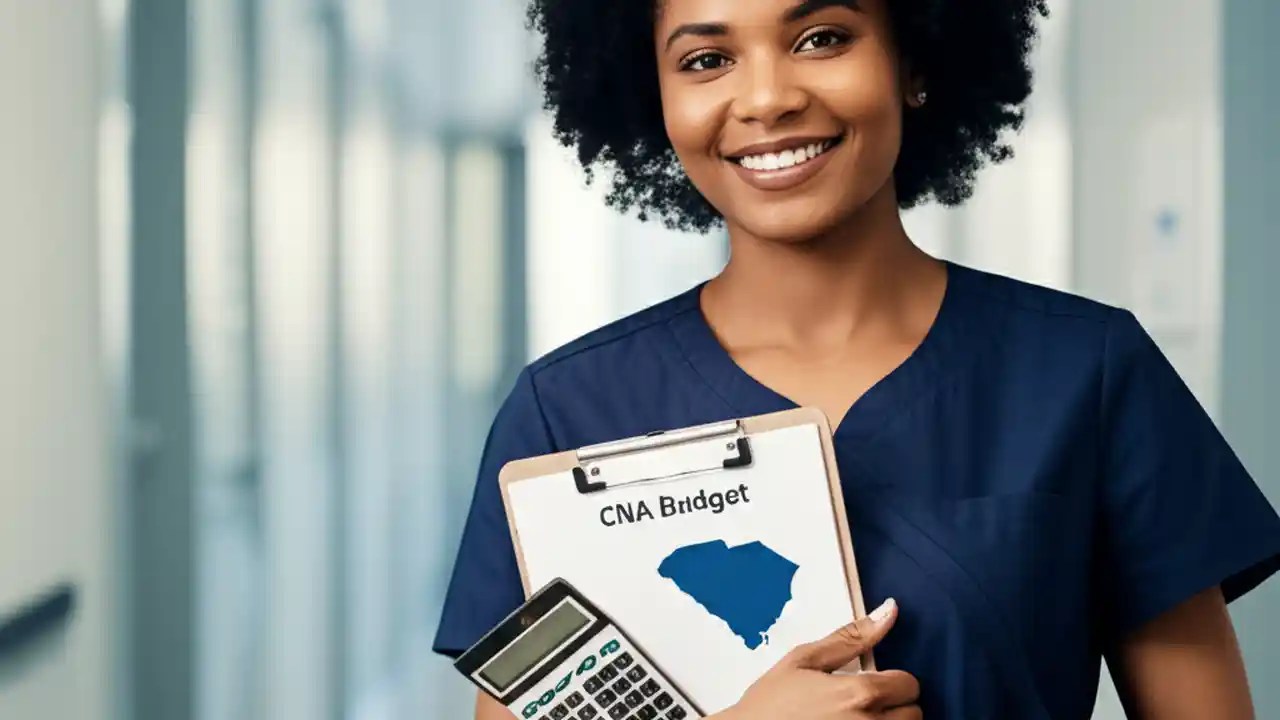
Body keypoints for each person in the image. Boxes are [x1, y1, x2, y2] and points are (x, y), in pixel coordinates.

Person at [433, 0, 1280, 716]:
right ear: (649, 95)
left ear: (913, 59)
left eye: (822, 39)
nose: (765, 97)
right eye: (706, 59)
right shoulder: (565, 411)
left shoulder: (1086, 373)